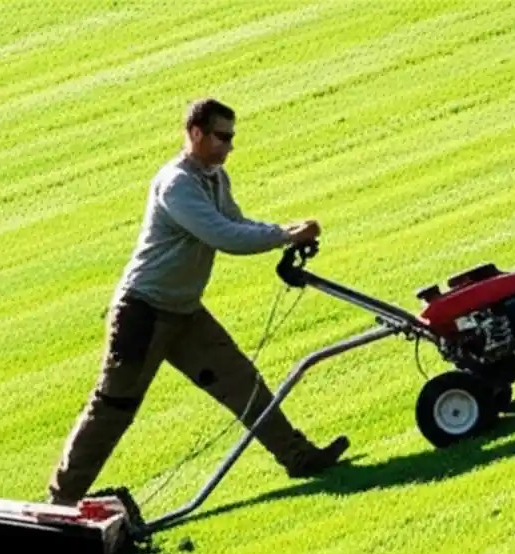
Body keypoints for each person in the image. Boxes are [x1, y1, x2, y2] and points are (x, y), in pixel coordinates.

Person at [47, 98, 350, 506]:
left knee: (243, 382)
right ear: (195, 133)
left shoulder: (214, 177)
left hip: (184, 312)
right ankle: (60, 504)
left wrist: (286, 228)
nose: (229, 146)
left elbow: (237, 222)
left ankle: (298, 457)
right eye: (222, 136)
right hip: (142, 314)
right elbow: (224, 237)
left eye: (231, 137)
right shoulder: (177, 184)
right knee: (113, 409)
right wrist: (285, 236)